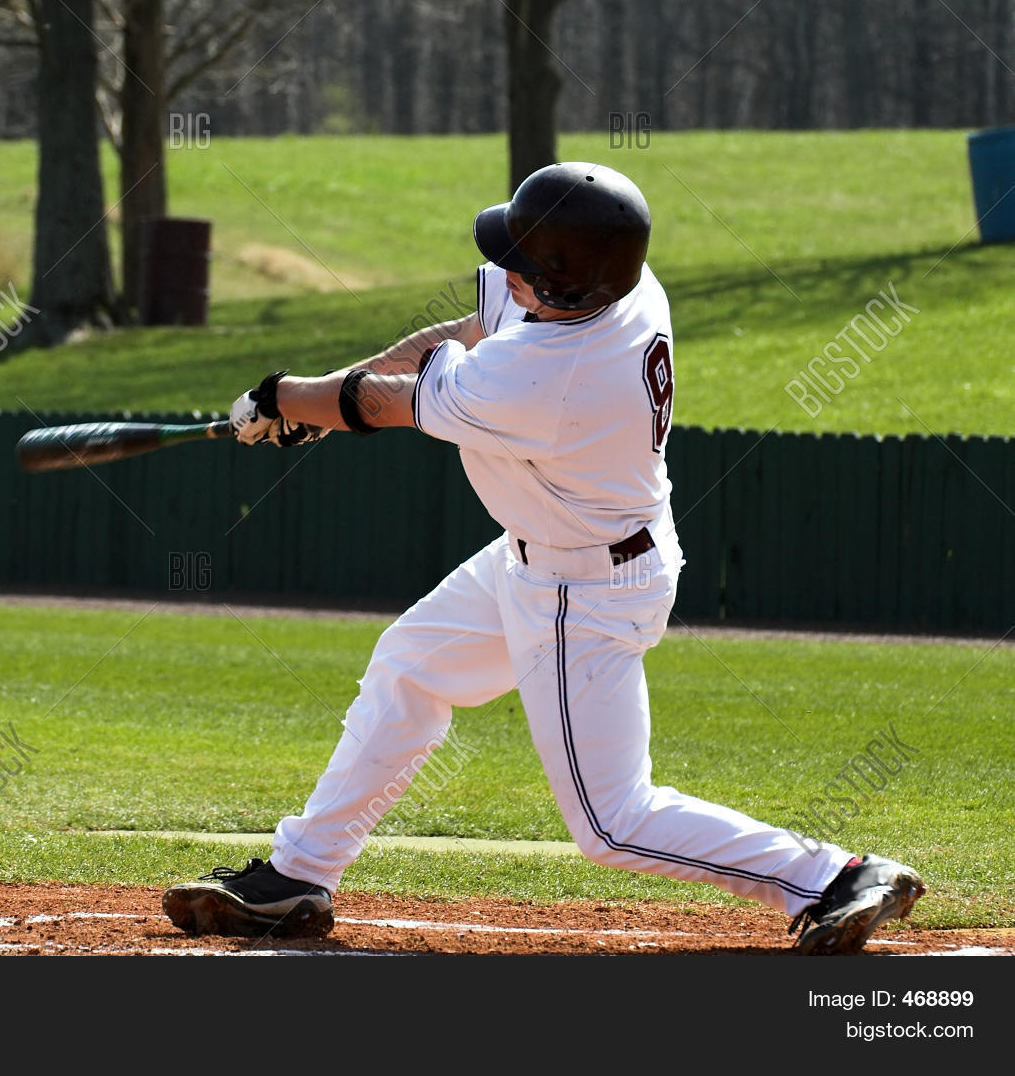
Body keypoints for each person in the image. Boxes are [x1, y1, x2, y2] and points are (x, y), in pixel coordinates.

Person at [162, 162, 924, 954]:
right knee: (411, 664)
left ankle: (834, 876)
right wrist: (319, 399)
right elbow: (457, 334)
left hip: (580, 586)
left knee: (611, 822)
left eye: (524, 263)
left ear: (560, 283)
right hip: (552, 551)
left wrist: (287, 398)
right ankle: (298, 875)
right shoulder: (624, 283)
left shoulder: (538, 380)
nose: (506, 271)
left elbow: (386, 403)